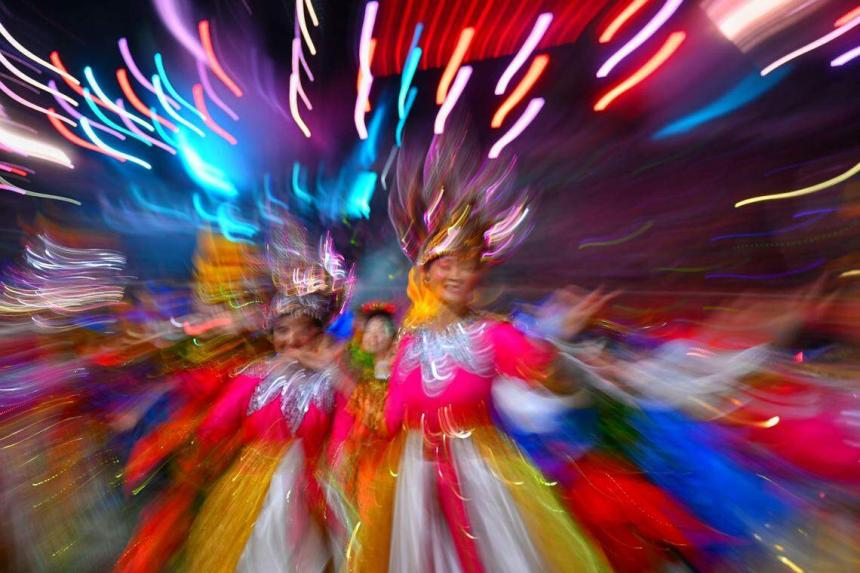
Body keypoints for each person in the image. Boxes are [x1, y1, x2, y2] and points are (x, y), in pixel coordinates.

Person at [350, 129, 612, 572]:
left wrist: (558, 340)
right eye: (444, 264)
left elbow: (553, 384)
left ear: (478, 278)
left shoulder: (494, 335)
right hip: (413, 479)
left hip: (481, 480)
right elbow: (391, 417)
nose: (455, 275)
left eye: (467, 265)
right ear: (426, 274)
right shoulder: (408, 342)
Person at [329, 302, 397, 523]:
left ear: (393, 336)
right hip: (367, 458)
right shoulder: (367, 374)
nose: (373, 336)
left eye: (381, 330)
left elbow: (382, 420)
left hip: (389, 459)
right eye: (369, 331)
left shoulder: (394, 373)